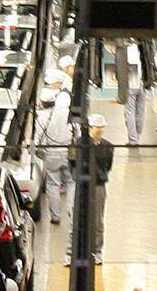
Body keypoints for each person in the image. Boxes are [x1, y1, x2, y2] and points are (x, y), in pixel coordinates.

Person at [64, 114, 114, 266]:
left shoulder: (108, 146)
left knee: (97, 221)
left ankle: (97, 251)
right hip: (80, 186)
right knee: (75, 220)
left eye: (101, 128)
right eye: (96, 128)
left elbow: (109, 166)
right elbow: (71, 163)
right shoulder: (76, 144)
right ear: (89, 128)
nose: (99, 130)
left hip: (98, 186)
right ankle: (70, 252)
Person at [36, 68, 73, 223]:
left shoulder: (42, 116)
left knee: (52, 184)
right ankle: (72, 212)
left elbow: (36, 137)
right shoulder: (68, 112)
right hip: (68, 151)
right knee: (71, 182)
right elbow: (77, 131)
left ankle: (56, 216)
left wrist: (34, 151)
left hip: (51, 153)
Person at [116, 40, 146, 146]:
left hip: (132, 85)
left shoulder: (128, 50)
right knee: (140, 111)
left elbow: (131, 69)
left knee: (129, 112)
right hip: (141, 83)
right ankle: (137, 135)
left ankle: (133, 140)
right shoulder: (139, 48)